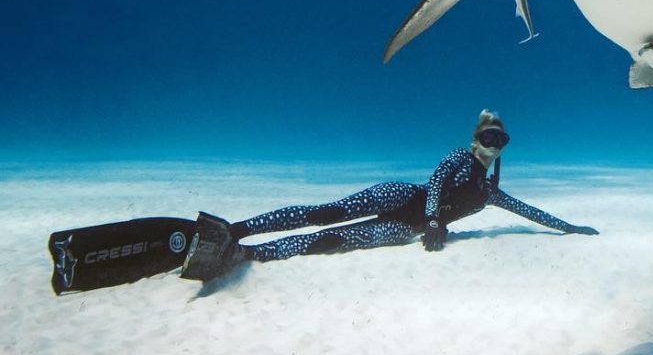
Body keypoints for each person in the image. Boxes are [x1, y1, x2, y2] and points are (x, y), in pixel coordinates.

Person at [179, 110, 598, 281]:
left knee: (335, 241)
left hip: (406, 228)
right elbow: (435, 181)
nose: (493, 146)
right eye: (488, 138)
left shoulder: (490, 192)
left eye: (501, 140)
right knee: (327, 213)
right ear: (475, 141)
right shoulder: (457, 156)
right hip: (400, 197)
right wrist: (435, 220)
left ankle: (249, 254)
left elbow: (528, 211)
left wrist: (568, 227)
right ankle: (235, 228)